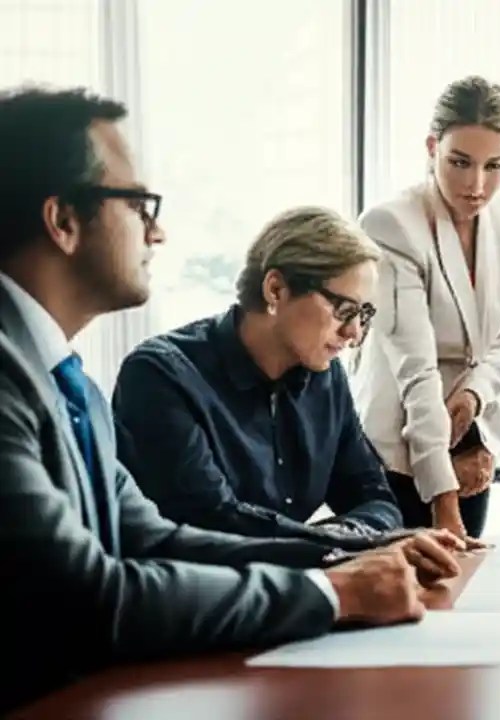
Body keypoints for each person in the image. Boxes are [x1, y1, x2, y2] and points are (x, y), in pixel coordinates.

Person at [0, 86, 462, 712]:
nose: (157, 232)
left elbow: (155, 538)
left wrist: (351, 554)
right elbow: (87, 599)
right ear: (63, 221)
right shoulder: (21, 382)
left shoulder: (66, 380)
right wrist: (333, 592)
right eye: (139, 205)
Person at [113, 206, 404, 547]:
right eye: (344, 309)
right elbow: (214, 523)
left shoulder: (324, 374)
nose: (354, 333)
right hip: (197, 594)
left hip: (296, 585)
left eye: (364, 314)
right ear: (276, 290)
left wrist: (339, 539)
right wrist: (343, 544)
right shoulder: (159, 375)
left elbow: (376, 500)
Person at [351, 76, 500, 539]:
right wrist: (443, 501)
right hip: (400, 450)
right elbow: (416, 370)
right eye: (460, 162)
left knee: (465, 593)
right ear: (432, 147)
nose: (476, 184)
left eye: (494, 166)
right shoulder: (392, 225)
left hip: (472, 436)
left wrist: (475, 395)